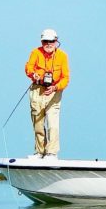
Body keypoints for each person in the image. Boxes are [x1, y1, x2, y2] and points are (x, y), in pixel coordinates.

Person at [24, 28, 70, 160]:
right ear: (42, 41)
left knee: (52, 123)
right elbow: (28, 67)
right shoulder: (35, 52)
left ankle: (52, 152)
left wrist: (55, 87)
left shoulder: (62, 56)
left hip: (54, 91)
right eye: (45, 41)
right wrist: (34, 75)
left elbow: (66, 77)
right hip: (37, 89)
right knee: (38, 121)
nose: (48, 44)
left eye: (51, 41)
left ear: (56, 41)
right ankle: (40, 151)